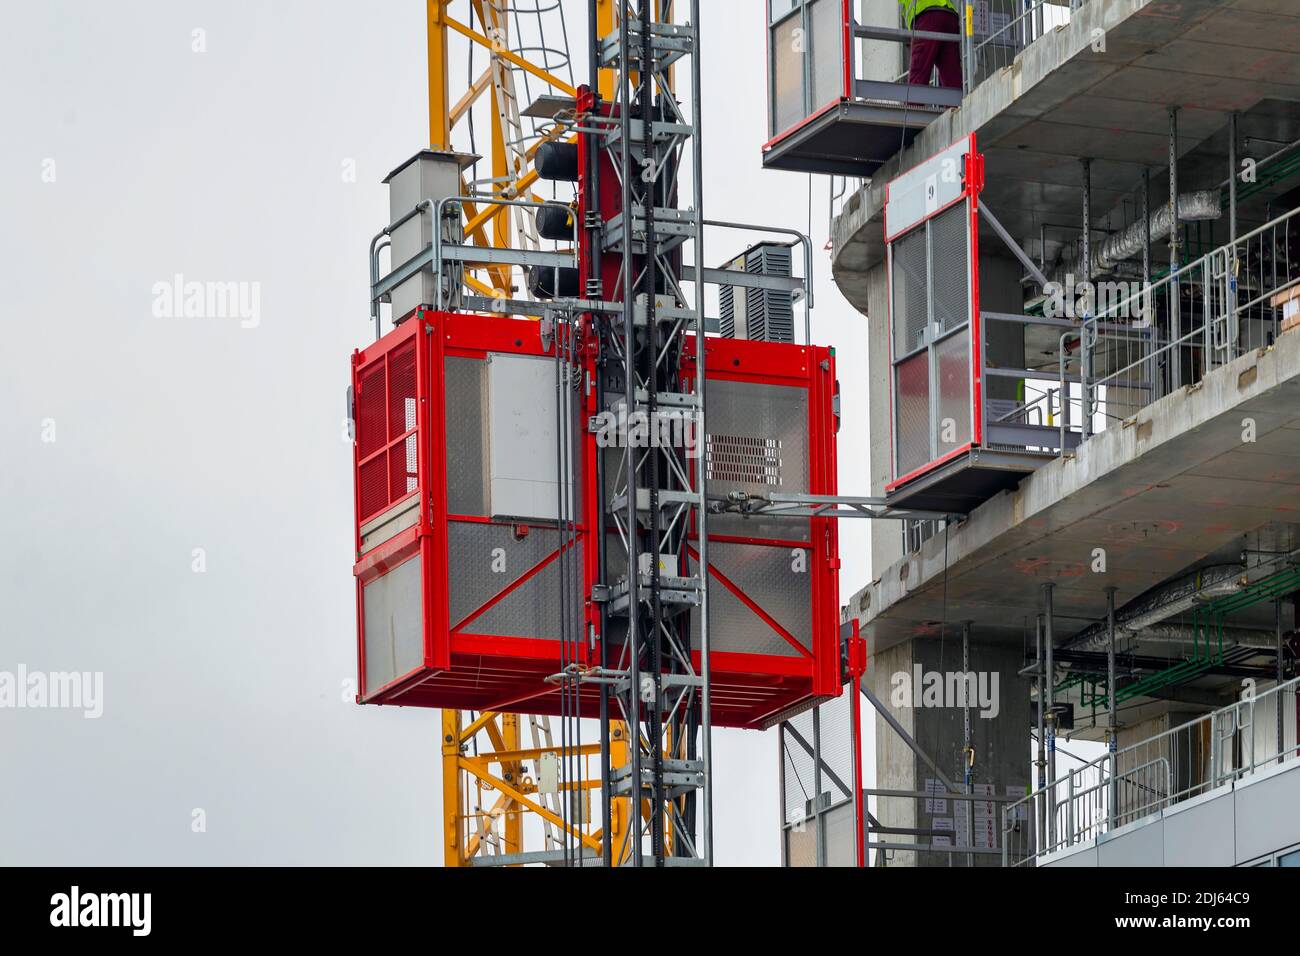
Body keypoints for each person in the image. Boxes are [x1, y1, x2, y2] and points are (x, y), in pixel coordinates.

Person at [900, 0, 962, 91]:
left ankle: (913, 105)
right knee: (951, 74)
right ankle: (956, 104)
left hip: (927, 15)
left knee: (919, 72)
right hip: (949, 15)